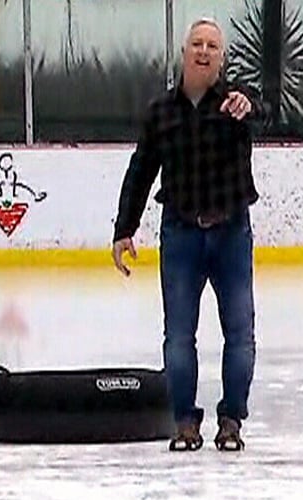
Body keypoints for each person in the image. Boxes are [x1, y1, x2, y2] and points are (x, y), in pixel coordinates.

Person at [111, 18, 266, 454]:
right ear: (184, 53)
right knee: (179, 336)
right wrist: (124, 229)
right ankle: (185, 423)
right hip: (180, 235)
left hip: (232, 233)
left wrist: (250, 104)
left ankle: (231, 419)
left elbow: (267, 111)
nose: (203, 51)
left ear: (221, 57)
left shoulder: (236, 103)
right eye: (196, 44)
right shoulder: (162, 112)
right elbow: (140, 171)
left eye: (212, 46)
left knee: (240, 334)